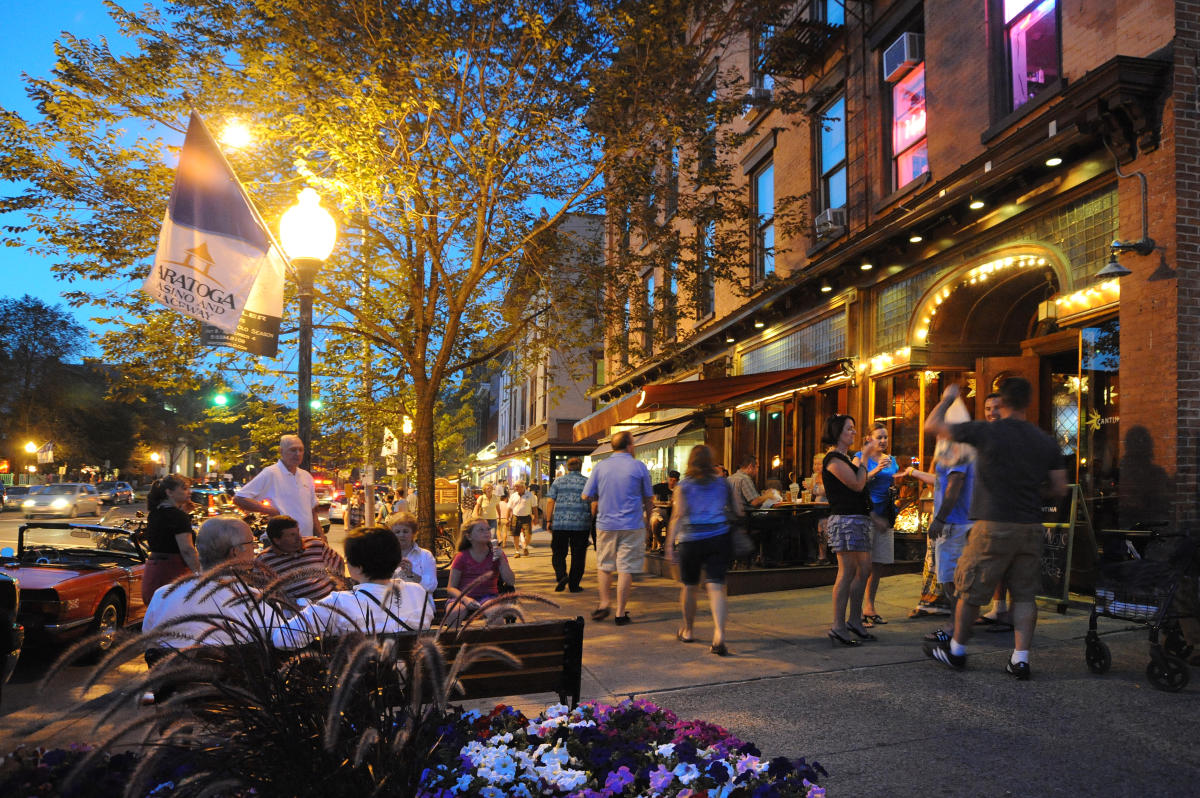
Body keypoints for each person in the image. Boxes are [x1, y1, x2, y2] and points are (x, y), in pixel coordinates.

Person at [923, 378, 1066, 680]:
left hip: (993, 523)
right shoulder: (1044, 441)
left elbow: (932, 425)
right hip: (1029, 525)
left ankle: (957, 650)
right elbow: (1059, 488)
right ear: (1028, 401)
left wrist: (949, 398)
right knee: (1025, 596)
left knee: (970, 589)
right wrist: (1031, 494)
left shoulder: (987, 432)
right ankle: (1020, 659)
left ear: (1002, 401)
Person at [272, 526, 433, 649]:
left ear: (358, 567)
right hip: (414, 685)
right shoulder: (417, 592)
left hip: (357, 688)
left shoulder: (338, 603)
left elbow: (283, 639)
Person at [143, 516, 283, 649]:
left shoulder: (162, 596)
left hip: (169, 673)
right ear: (234, 552)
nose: (254, 548)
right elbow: (282, 641)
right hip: (232, 674)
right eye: (251, 542)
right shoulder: (257, 603)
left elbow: (150, 645)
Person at [664, 445, 740, 657]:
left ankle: (688, 630)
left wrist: (669, 545)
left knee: (689, 586)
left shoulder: (683, 486)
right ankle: (719, 635)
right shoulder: (723, 483)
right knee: (716, 587)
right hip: (719, 537)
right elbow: (739, 509)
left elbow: (678, 516)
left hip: (691, 540)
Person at [906, 434, 976, 644]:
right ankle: (959, 626)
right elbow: (942, 482)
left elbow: (954, 484)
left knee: (951, 580)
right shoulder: (951, 449)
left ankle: (956, 628)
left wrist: (940, 518)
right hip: (959, 521)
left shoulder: (956, 449)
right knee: (953, 579)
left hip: (954, 524)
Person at [581, 430, 653, 625]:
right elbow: (648, 498)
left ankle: (604, 603)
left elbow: (585, 495)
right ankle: (620, 613)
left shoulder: (600, 467)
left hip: (606, 524)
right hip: (632, 525)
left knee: (605, 566)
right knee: (626, 568)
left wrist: (602, 495)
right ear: (629, 446)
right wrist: (649, 520)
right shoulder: (639, 466)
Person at [822, 414, 881, 646]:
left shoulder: (844, 458)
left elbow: (857, 476)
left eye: (854, 428)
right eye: (849, 429)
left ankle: (854, 620)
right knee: (847, 572)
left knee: (864, 569)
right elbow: (857, 484)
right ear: (837, 433)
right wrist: (865, 458)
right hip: (846, 520)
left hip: (857, 519)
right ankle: (838, 624)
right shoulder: (833, 459)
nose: (854, 433)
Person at [854, 423, 907, 628]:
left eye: (885, 437)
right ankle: (856, 613)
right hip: (867, 514)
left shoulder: (891, 459)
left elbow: (891, 481)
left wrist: (898, 482)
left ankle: (870, 607)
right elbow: (858, 482)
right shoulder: (860, 457)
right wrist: (877, 469)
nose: (883, 441)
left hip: (885, 514)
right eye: (879, 437)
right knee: (863, 565)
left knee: (878, 564)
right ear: (869, 438)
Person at [234, 435, 322, 540]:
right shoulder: (271, 473)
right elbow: (239, 498)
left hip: (306, 542)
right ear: (281, 451)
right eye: (293, 450)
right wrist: (271, 511)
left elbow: (312, 511)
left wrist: (321, 536)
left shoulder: (306, 476)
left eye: (301, 450)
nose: (298, 454)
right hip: (281, 543)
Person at [255, 514, 347, 603]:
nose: (299, 537)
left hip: (331, 605)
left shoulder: (315, 544)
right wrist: (290, 606)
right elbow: (265, 593)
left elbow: (337, 561)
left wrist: (338, 588)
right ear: (277, 540)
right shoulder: (263, 561)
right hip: (295, 613)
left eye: (298, 532)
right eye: (292, 535)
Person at [141, 475, 202, 603]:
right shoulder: (178, 517)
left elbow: (166, 537)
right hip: (172, 574)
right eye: (184, 488)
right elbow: (187, 550)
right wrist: (200, 575)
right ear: (169, 492)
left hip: (153, 571)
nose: (189, 492)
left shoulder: (155, 513)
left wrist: (183, 513)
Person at [446, 518, 517, 626]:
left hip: (489, 596)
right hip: (462, 597)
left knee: (496, 614)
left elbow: (510, 581)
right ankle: (454, 642)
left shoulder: (497, 554)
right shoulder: (462, 556)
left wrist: (502, 559)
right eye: (481, 530)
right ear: (469, 536)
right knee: (455, 612)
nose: (487, 532)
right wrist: (465, 599)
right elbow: (451, 588)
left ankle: (494, 642)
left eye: (488, 529)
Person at [544, 458, 592, 593]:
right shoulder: (586, 482)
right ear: (580, 467)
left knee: (558, 552)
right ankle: (574, 585)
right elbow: (593, 503)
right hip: (581, 523)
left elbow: (550, 501)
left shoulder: (558, 481)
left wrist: (549, 520)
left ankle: (561, 576)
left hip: (560, 523)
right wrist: (591, 519)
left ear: (566, 467)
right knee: (578, 555)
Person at [385, 511, 438, 593]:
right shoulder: (386, 556)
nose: (401, 535)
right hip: (393, 604)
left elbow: (432, 586)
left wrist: (411, 575)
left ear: (413, 533)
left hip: (419, 604)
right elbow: (379, 585)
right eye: (397, 532)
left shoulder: (425, 555)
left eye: (405, 531)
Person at [649, 470, 680, 552]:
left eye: (674, 481)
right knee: (654, 522)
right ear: (668, 479)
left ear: (677, 481)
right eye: (671, 480)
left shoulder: (679, 490)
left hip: (673, 513)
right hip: (660, 511)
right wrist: (652, 499)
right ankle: (661, 543)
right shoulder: (661, 487)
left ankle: (668, 543)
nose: (672, 482)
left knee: (675, 523)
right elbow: (649, 490)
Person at [508, 481, 537, 557]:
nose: (516, 488)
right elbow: (509, 508)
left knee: (528, 535)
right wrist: (507, 518)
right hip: (515, 517)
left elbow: (534, 507)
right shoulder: (513, 495)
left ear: (523, 487)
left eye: (517, 486)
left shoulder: (530, 495)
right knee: (515, 535)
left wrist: (536, 518)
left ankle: (524, 546)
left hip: (526, 517)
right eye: (515, 486)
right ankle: (517, 551)